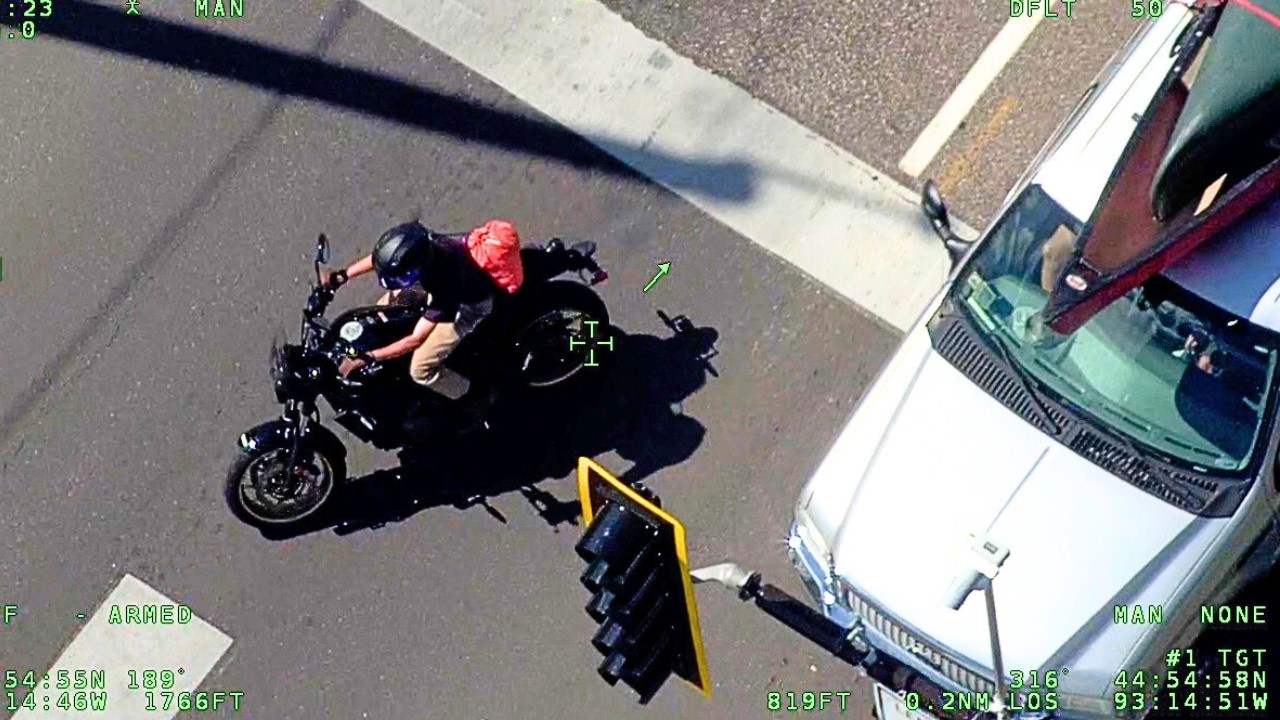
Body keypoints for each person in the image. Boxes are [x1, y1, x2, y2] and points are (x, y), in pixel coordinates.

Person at [321, 220, 520, 388]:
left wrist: (369, 357)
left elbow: (416, 339)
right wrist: (342, 276)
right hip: (436, 286)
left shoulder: (445, 282)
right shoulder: (421, 242)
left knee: (420, 369)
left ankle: (470, 395)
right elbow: (379, 259)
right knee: (383, 310)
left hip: (468, 306)